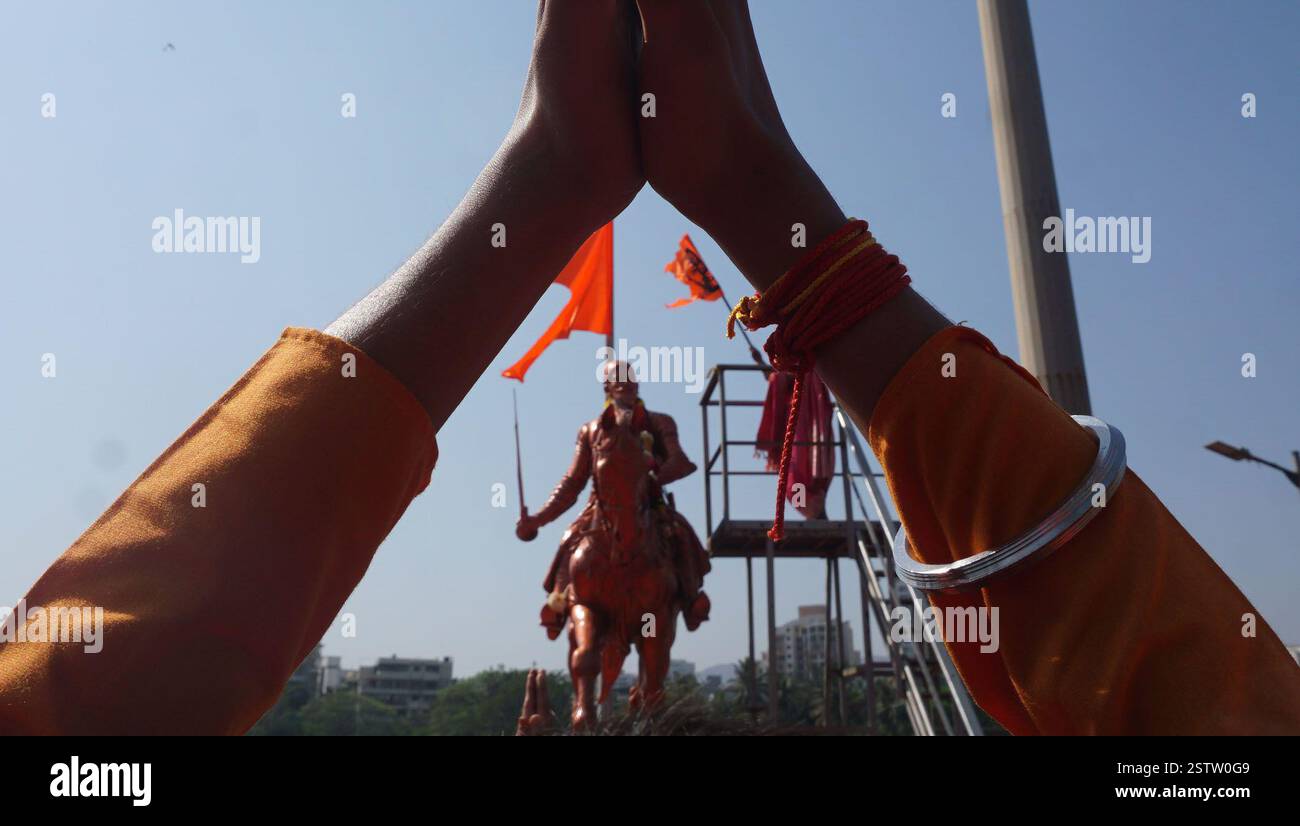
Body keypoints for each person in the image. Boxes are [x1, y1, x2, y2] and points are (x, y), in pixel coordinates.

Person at [1, 0, 1296, 735]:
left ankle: (661, 642)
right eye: (617, 392)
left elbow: (669, 468)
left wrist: (553, 192)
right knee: (579, 569)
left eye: (623, 390)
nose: (618, 399)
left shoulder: (655, 423)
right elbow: (572, 492)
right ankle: (583, 699)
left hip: (664, 510)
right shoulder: (595, 423)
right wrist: (543, 512)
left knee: (673, 552)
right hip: (628, 489)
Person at [516, 360, 711, 639]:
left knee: (680, 534)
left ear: (637, 383)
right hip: (602, 506)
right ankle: (559, 604)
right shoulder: (591, 431)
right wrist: (538, 518)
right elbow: (573, 482)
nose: (624, 383)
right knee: (571, 539)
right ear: (606, 386)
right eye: (616, 378)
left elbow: (681, 462)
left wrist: (651, 476)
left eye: (629, 377)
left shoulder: (660, 422)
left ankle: (692, 598)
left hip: (650, 503)